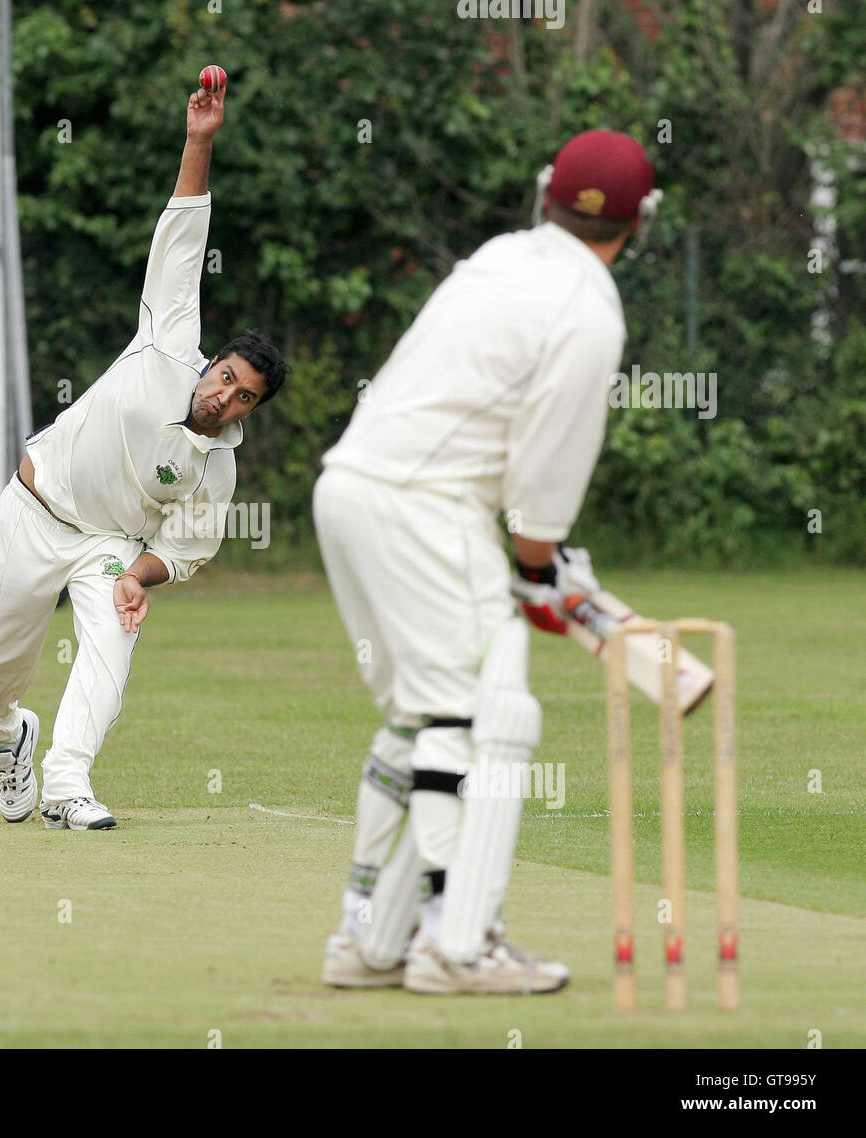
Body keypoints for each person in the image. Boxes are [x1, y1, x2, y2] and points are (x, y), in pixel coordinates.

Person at [314, 130, 659, 994]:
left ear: (545, 192)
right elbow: (544, 475)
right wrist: (540, 568)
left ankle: (372, 942)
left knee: (422, 718)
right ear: (642, 222)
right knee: (489, 717)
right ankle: (455, 945)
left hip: (349, 488)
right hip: (426, 509)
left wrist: (537, 566)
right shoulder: (589, 309)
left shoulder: (499, 256)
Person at [0, 79, 288, 831]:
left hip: (105, 545)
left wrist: (141, 576)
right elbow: (185, 233)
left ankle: (68, 785)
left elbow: (186, 549)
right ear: (211, 364)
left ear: (251, 411)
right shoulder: (168, 336)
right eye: (226, 378)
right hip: (34, 509)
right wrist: (200, 138)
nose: (225, 398)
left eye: (244, 398)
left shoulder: (218, 466)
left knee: (113, 636)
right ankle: (8, 739)